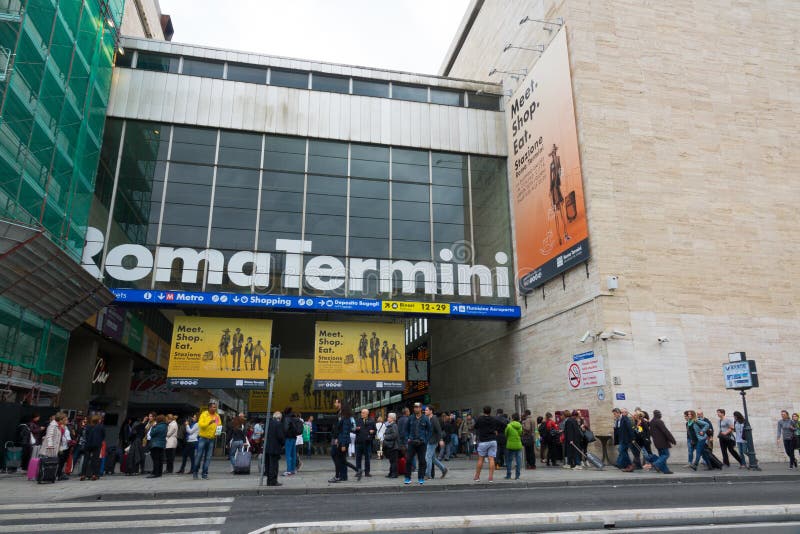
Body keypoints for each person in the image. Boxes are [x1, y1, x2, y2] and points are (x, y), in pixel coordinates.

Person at [404, 402, 430, 485]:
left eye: (417, 407)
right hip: (412, 442)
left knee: (422, 461)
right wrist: (407, 438)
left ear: (421, 408)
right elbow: (406, 429)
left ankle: (421, 477)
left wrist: (426, 440)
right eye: (415, 407)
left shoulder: (425, 418)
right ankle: (407, 477)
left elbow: (430, 430)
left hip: (422, 443)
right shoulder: (411, 418)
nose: (416, 409)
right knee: (408, 460)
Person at [329, 400, 355, 483]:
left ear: (340, 404)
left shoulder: (344, 416)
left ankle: (339, 476)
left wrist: (342, 444)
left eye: (336, 402)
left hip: (340, 440)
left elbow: (345, 431)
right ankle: (342, 476)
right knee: (340, 458)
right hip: (337, 438)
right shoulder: (340, 413)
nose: (334, 403)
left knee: (337, 457)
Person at [194, 402, 221, 480]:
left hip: (211, 439)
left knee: (208, 457)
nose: (214, 409)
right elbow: (201, 425)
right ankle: (195, 472)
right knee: (199, 456)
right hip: (202, 438)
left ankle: (204, 474)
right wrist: (209, 423)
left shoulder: (217, 416)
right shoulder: (204, 414)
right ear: (209, 408)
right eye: (213, 407)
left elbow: (219, 425)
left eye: (215, 407)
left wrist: (217, 434)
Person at [473, 405, 499, 482]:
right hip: (493, 441)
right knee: (491, 459)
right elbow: (498, 426)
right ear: (490, 411)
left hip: (483, 441)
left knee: (481, 459)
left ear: (483, 411)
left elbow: (475, 427)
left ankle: (477, 477)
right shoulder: (493, 419)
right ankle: (490, 478)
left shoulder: (480, 419)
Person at [649, 410, 676, 474]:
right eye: (659, 414)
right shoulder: (659, 421)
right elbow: (665, 431)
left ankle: (665, 470)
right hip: (662, 442)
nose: (661, 415)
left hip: (656, 442)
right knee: (666, 455)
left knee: (662, 456)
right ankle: (656, 464)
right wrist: (672, 439)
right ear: (657, 414)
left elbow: (651, 432)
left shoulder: (652, 422)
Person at [424, 406, 448, 480]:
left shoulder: (434, 419)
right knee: (433, 458)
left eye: (427, 410)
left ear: (431, 411)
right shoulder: (428, 419)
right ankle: (444, 469)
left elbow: (439, 430)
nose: (425, 411)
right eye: (425, 410)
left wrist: (440, 439)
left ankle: (427, 475)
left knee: (427, 457)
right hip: (429, 440)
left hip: (432, 441)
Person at [263, 411, 285, 486]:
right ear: (279, 418)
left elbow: (264, 434)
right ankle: (273, 481)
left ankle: (269, 481)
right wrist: (283, 443)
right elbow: (280, 436)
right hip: (275, 447)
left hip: (267, 447)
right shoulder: (278, 424)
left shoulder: (268, 423)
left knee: (268, 465)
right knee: (274, 465)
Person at [80, 415, 105, 481]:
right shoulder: (100, 426)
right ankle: (94, 474)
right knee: (95, 460)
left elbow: (85, 435)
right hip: (97, 445)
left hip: (88, 444)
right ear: (98, 420)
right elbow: (103, 435)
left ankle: (83, 475)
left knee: (86, 460)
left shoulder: (88, 426)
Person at [354, 408, 376, 479]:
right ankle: (358, 471)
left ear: (367, 414)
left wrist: (373, 432)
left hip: (367, 442)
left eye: (363, 413)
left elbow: (375, 430)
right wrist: (355, 429)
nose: (362, 414)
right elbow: (353, 429)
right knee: (358, 458)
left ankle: (367, 472)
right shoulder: (357, 420)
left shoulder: (371, 421)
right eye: (361, 413)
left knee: (367, 458)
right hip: (359, 442)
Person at [613, 408, 635, 472]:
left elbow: (629, 428)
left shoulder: (625, 418)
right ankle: (627, 466)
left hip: (625, 439)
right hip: (621, 439)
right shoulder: (617, 420)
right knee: (623, 451)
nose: (614, 415)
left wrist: (632, 438)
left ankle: (629, 465)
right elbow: (617, 430)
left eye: (615, 414)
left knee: (622, 450)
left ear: (618, 413)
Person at [504, 412, 524, 479]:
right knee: (518, 460)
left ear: (512, 418)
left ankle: (508, 475)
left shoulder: (509, 425)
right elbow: (520, 434)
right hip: (518, 444)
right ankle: (517, 476)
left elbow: (506, 434)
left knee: (509, 460)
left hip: (510, 445)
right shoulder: (520, 426)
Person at [283, 407, 301, 476]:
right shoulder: (295, 418)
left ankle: (289, 470)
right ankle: (293, 469)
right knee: (293, 454)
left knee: (288, 455)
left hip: (288, 438)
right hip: (294, 438)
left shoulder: (287, 418)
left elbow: (285, 429)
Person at [383, 413, 400, 478]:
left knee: (393, 461)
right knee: (392, 461)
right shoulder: (390, 425)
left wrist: (386, 437)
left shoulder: (394, 425)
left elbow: (395, 435)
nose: (387, 418)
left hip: (393, 446)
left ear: (392, 418)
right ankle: (391, 473)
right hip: (390, 446)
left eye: (389, 417)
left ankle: (394, 474)